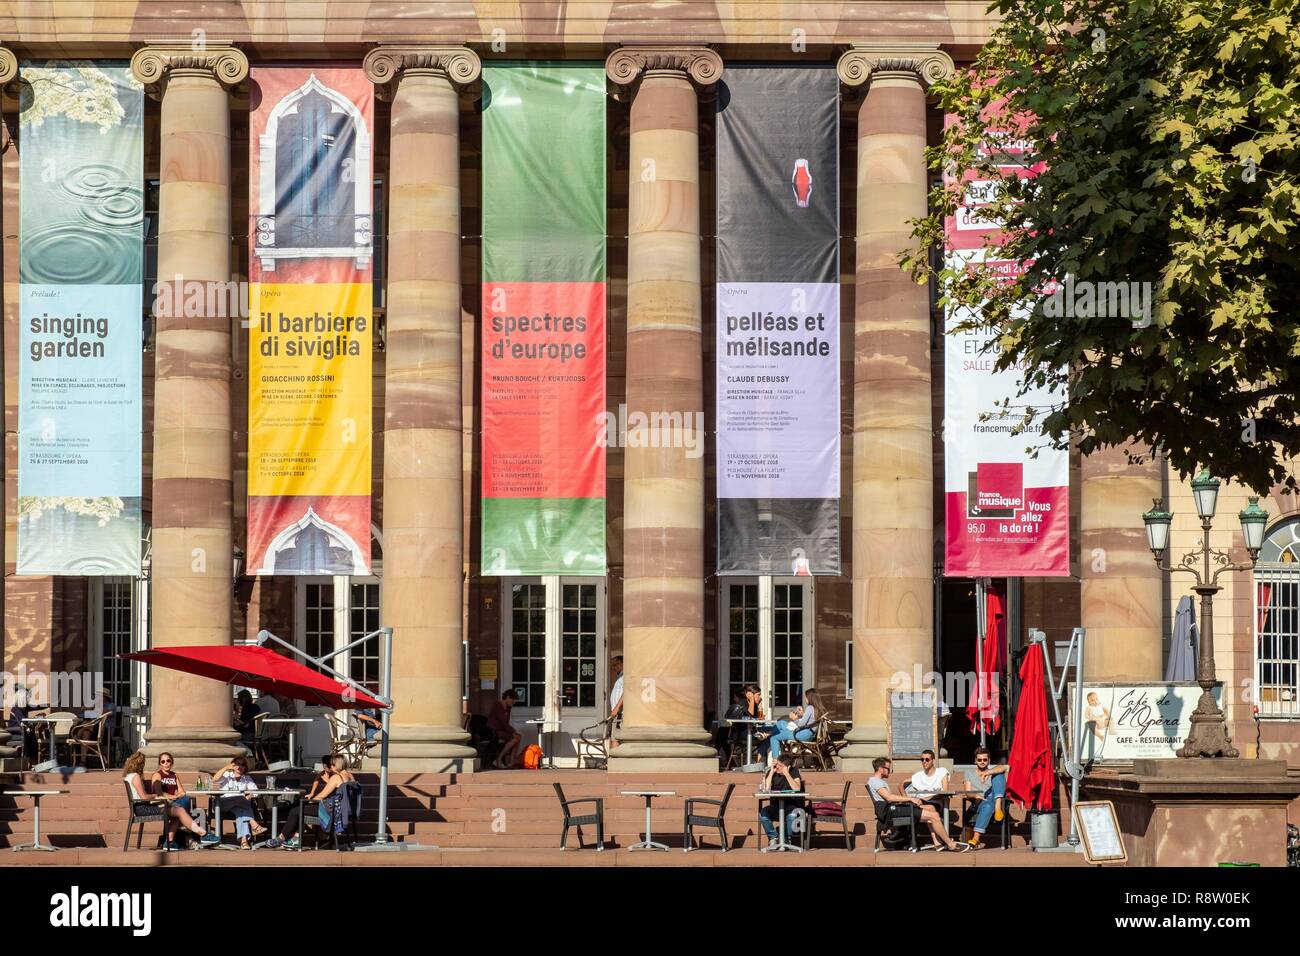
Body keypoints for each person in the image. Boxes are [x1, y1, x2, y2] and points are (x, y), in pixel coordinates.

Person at [867, 756, 968, 852]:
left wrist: (906, 800)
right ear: (881, 769)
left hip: (892, 808)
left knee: (931, 807)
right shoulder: (875, 781)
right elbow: (889, 797)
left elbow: (889, 798)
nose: (890, 771)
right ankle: (950, 844)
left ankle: (938, 843)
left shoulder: (878, 781)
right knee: (934, 816)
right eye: (888, 768)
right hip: (889, 812)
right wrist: (910, 799)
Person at [122, 751, 207, 850]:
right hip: (143, 808)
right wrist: (155, 796)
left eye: (168, 761)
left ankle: (170, 841)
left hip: (142, 807)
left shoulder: (130, 776)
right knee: (180, 810)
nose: (143, 767)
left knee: (179, 810)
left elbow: (181, 792)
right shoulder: (136, 776)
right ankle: (200, 834)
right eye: (143, 764)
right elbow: (145, 797)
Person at [268, 754, 350, 849]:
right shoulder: (349, 776)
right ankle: (295, 838)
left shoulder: (336, 777)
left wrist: (310, 801)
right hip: (340, 810)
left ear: (337, 765)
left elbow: (323, 795)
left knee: (296, 811)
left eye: (333, 764)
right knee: (302, 810)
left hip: (332, 811)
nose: (331, 767)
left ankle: (282, 838)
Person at [209, 756, 268, 849]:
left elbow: (256, 792)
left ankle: (244, 842)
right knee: (241, 799)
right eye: (237, 764)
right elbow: (215, 779)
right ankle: (253, 823)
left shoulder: (246, 778)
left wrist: (250, 796)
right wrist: (226, 768)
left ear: (245, 767)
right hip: (223, 804)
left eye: (242, 765)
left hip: (238, 806)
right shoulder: (227, 775)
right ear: (233, 765)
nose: (240, 766)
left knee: (241, 811)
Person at [758, 749, 805, 849]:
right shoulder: (774, 772)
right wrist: (771, 771)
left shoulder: (794, 771)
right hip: (776, 806)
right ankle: (774, 837)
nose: (777, 767)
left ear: (788, 766)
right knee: (763, 813)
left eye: (780, 766)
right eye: (777, 764)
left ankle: (786, 838)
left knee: (792, 815)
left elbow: (797, 788)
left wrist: (786, 773)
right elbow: (766, 789)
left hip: (792, 806)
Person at [963, 746, 1009, 849]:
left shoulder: (993, 772)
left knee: (998, 775)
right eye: (979, 760)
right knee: (988, 805)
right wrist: (976, 796)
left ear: (989, 760)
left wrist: (987, 773)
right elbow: (968, 793)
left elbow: (1005, 767)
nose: (982, 762)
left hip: (996, 799)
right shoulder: (969, 773)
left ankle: (975, 839)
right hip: (981, 802)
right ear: (975, 761)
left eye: (985, 759)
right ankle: (996, 807)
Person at [763, 687, 825, 760]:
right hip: (809, 734)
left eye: (806, 697)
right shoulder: (819, 709)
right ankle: (767, 734)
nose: (805, 699)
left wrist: (794, 719)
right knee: (781, 723)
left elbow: (801, 724)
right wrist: (803, 714)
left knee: (774, 738)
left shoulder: (810, 708)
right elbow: (811, 721)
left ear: (810, 698)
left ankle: (776, 762)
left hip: (801, 735)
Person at [487, 690, 522, 768]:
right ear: (507, 697)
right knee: (515, 738)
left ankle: (511, 760)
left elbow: (506, 722)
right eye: (513, 700)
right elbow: (503, 722)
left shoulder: (508, 708)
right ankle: (498, 759)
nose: (513, 702)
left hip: (502, 730)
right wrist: (513, 732)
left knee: (518, 737)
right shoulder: (497, 706)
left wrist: (513, 732)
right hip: (494, 731)